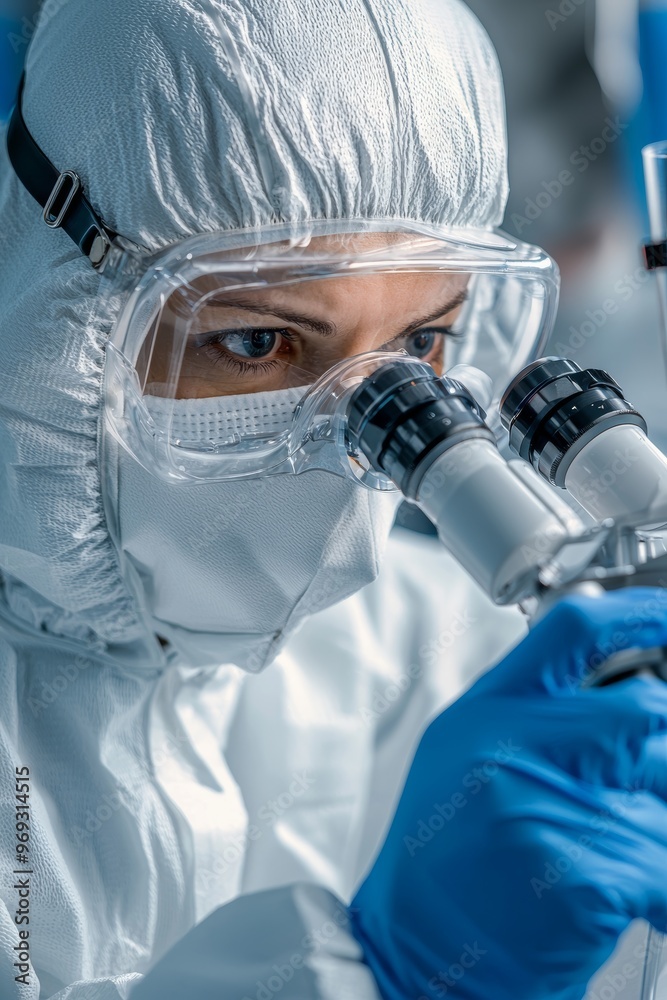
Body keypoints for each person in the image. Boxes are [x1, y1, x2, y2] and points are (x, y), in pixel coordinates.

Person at [1, 2, 667, 999]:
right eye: (256, 342)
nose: (354, 438)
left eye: (418, 346)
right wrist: (387, 975)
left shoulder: (439, 658)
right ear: (65, 316)